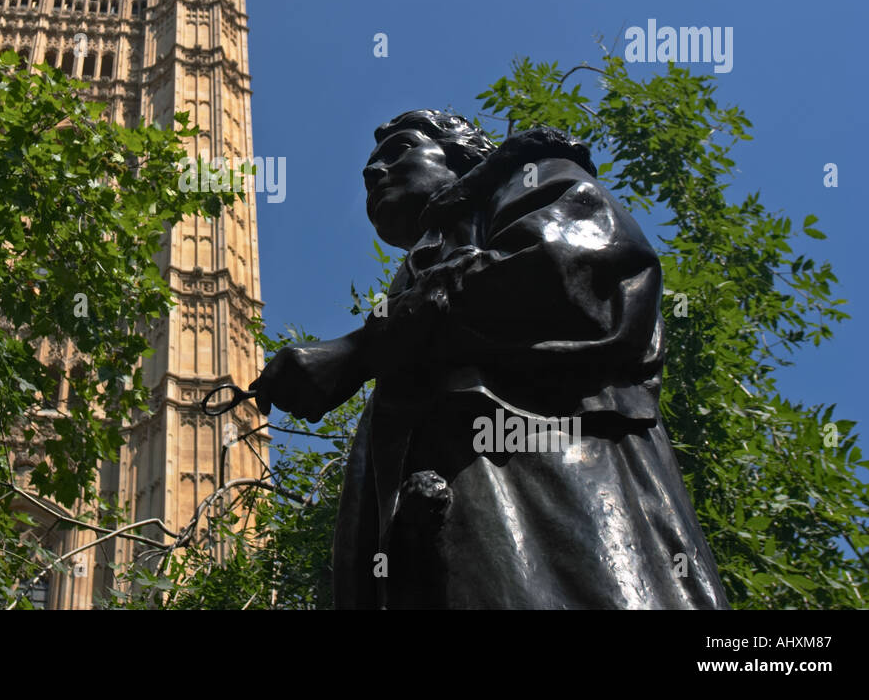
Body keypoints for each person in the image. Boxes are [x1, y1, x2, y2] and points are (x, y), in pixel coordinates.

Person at [250, 110, 729, 609]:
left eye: (401, 150)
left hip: (567, 515)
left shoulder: (537, 179)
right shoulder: (418, 270)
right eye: (372, 165)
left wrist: (357, 351)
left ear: (462, 158)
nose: (374, 173)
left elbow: (568, 276)